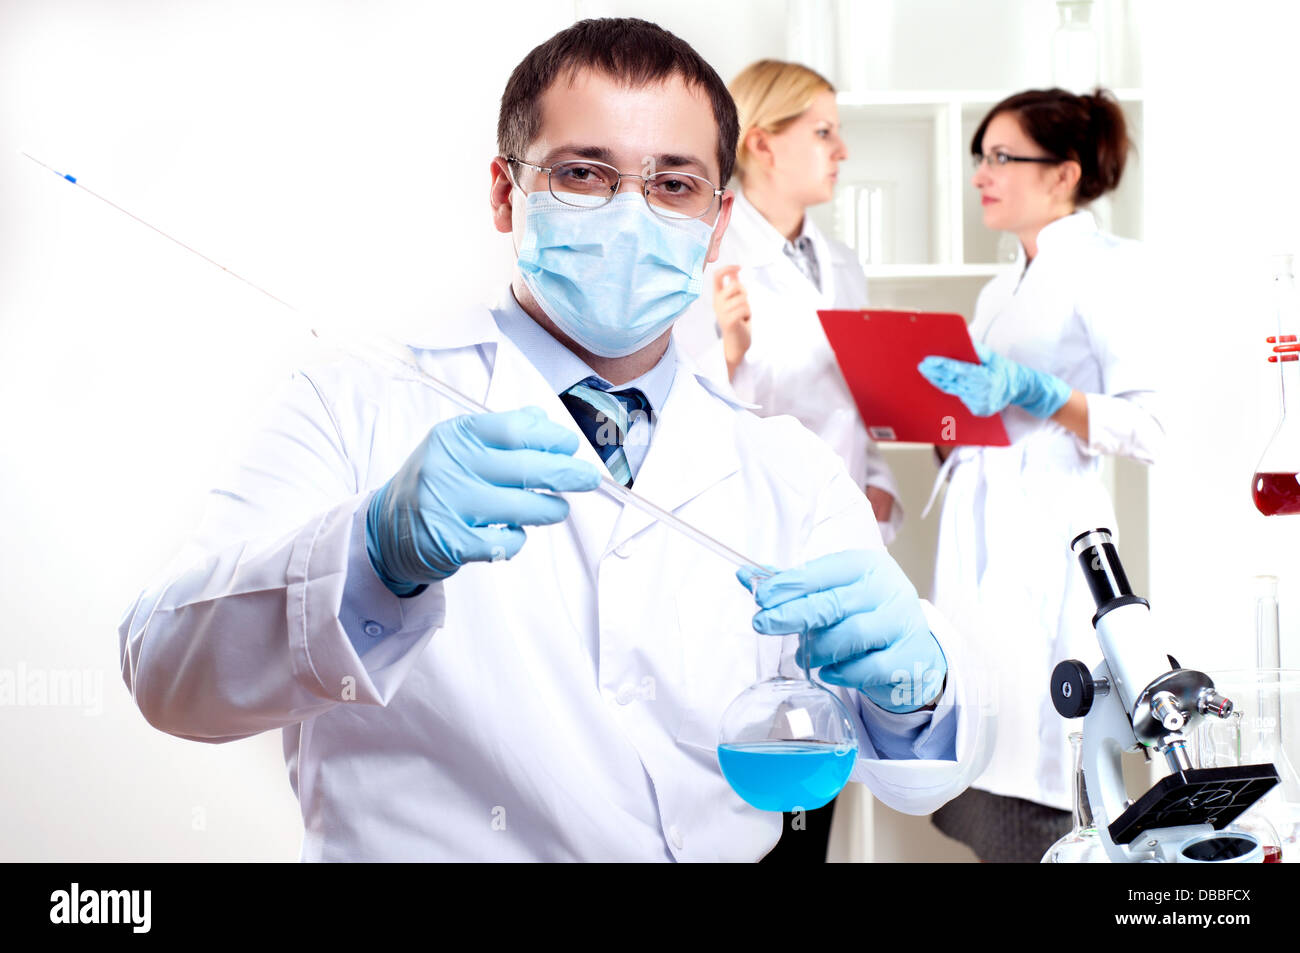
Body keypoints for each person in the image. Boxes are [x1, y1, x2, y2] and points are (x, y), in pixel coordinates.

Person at [118, 18, 987, 862]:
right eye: (583, 174)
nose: (632, 214)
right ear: (506, 192)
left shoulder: (785, 464)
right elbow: (164, 671)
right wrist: (370, 556)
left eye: (674, 184)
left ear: (718, 222)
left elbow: (910, 768)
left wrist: (923, 690)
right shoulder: (357, 403)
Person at [916, 87, 1163, 862]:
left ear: (1063, 173)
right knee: (984, 741)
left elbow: (1151, 427)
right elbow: (991, 424)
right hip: (979, 537)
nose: (982, 175)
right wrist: (936, 416)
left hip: (1055, 538)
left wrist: (1045, 395)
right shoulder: (998, 289)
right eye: (979, 158)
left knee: (1050, 761)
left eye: (1001, 157)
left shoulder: (1109, 270)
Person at [674, 59, 902, 547]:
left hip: (845, 515)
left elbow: (849, 397)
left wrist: (879, 478)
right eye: (823, 133)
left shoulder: (843, 264)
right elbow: (678, 401)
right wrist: (729, 354)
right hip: (753, 522)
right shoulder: (705, 256)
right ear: (761, 144)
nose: (842, 151)